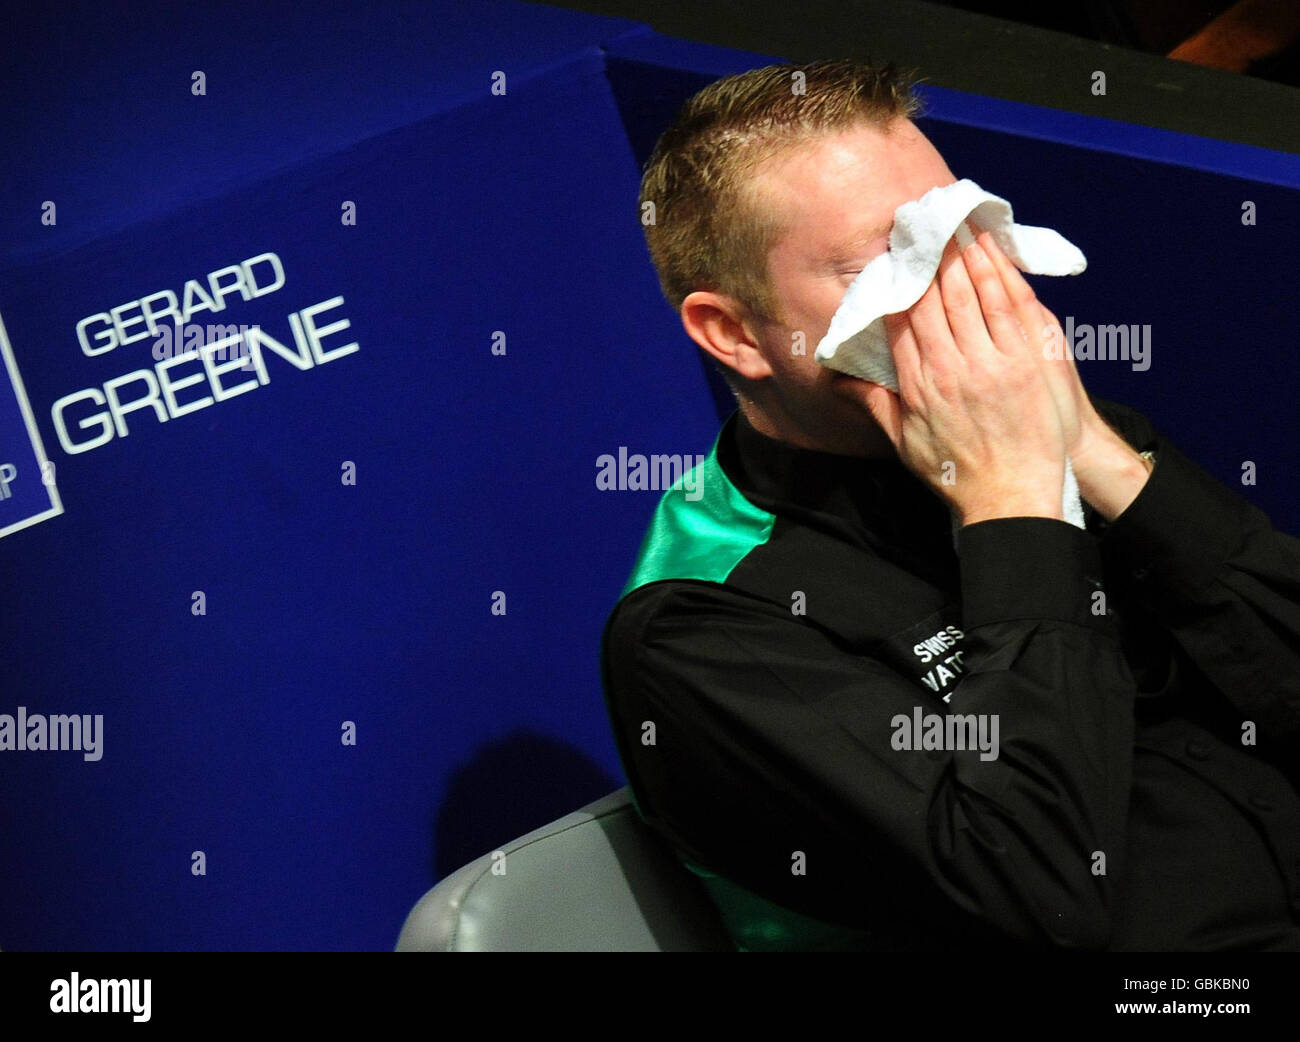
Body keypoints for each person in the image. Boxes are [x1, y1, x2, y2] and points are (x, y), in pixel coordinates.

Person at [599, 58, 1300, 951]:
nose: (954, 290)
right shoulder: (702, 630)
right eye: (884, 263)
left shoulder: (1055, 427)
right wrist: (1015, 510)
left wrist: (1097, 460)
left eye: (957, 233)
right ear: (735, 332)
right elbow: (1037, 899)